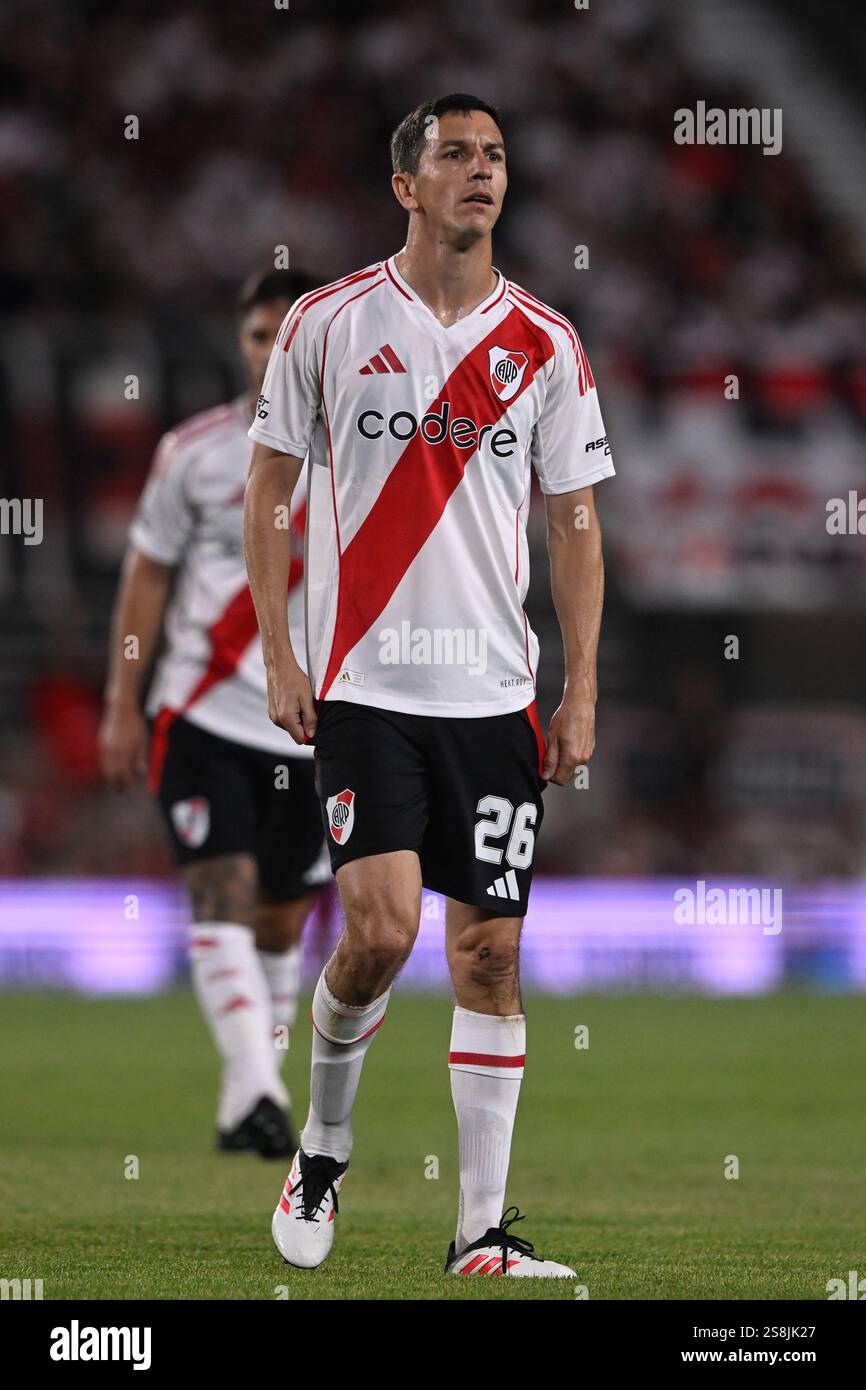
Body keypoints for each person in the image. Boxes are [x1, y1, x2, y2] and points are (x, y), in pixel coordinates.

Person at [244, 95, 614, 1275]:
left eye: (496, 155)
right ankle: (324, 1144)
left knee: (490, 959)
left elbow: (573, 523)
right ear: (404, 184)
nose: (480, 172)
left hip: (494, 695)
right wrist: (282, 652)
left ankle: (478, 1232)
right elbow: (267, 495)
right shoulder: (328, 322)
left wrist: (580, 685)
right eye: (454, 154)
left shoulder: (545, 343)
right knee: (380, 931)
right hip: (364, 686)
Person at [100, 268, 329, 1158]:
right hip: (197, 713)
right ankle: (264, 1093)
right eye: (256, 335)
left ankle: (249, 1098)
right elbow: (148, 570)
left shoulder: (361, 454)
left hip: (310, 725)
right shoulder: (191, 453)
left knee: (280, 920)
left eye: (285, 335)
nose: (269, 352)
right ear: (240, 345)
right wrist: (124, 700)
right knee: (219, 893)